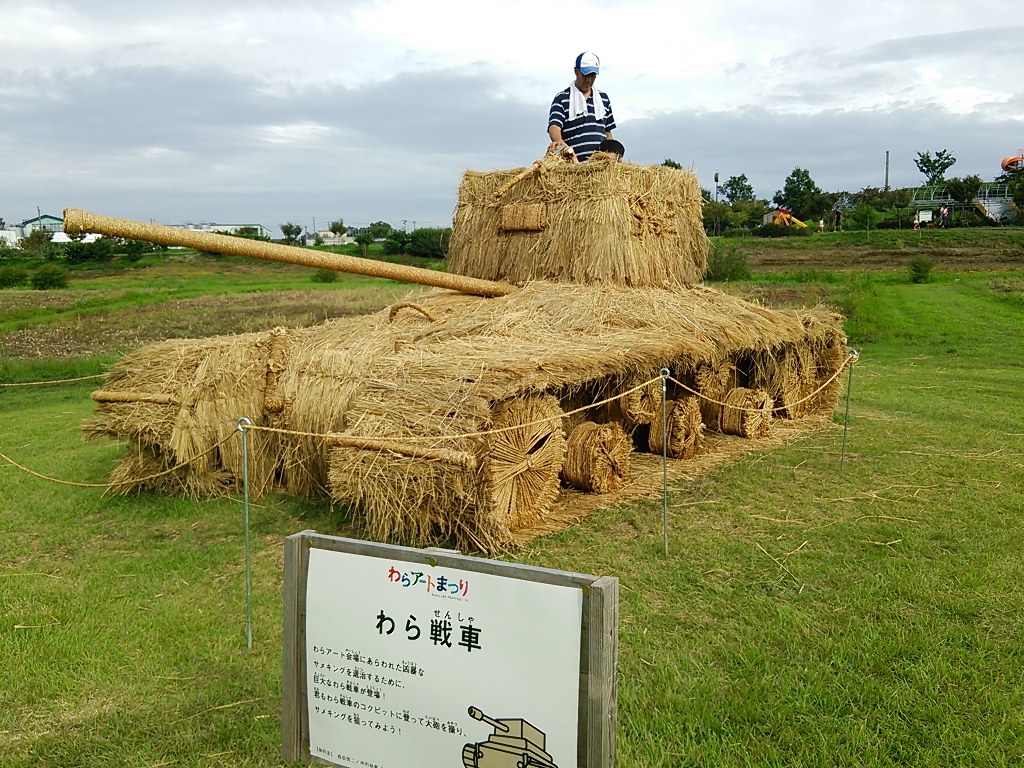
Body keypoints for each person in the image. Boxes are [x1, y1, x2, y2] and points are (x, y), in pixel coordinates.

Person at [547, 52, 617, 162]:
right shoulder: (562, 98)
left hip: (599, 166)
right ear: (576, 71)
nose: (588, 80)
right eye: (585, 75)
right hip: (573, 165)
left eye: (592, 75)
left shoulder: (603, 99)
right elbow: (554, 127)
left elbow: (607, 133)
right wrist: (561, 144)